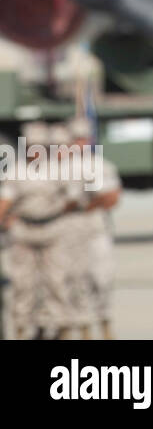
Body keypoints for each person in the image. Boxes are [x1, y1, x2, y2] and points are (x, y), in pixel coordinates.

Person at [0, 122, 77, 339]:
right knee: (23, 283)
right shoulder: (17, 170)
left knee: (56, 281)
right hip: (24, 229)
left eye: (39, 146)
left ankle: (59, 326)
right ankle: (23, 328)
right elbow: (5, 200)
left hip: (53, 228)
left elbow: (73, 200)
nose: (35, 151)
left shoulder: (59, 170)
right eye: (31, 146)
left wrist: (55, 211)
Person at [61, 117, 121, 339]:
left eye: (83, 138)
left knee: (102, 277)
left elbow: (112, 197)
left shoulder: (99, 166)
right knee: (74, 280)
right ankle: (81, 327)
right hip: (69, 227)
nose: (79, 143)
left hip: (95, 225)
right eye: (75, 139)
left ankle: (105, 322)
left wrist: (89, 202)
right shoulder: (59, 167)